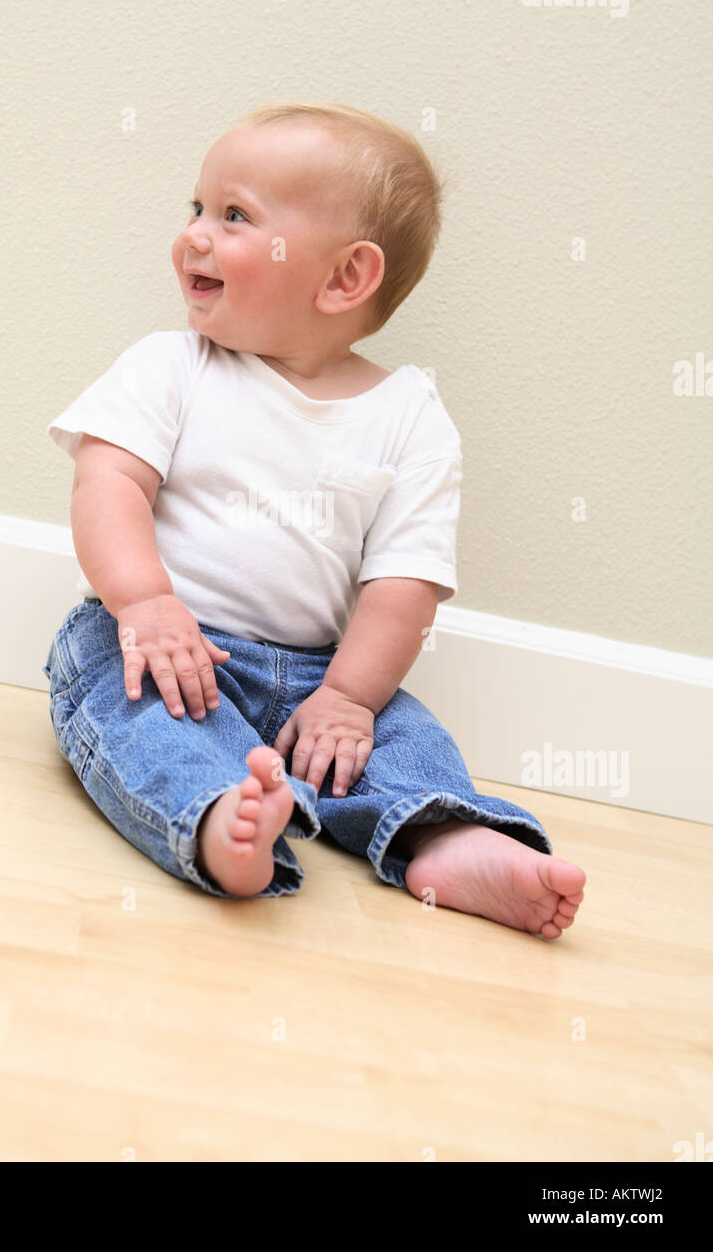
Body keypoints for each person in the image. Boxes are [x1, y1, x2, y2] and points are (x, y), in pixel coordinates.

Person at [43, 101, 586, 938]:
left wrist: (349, 696)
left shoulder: (411, 418)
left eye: (234, 217)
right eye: (196, 208)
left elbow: (403, 584)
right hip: (163, 641)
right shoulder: (172, 367)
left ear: (343, 278)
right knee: (140, 711)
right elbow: (107, 482)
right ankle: (219, 816)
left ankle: (446, 839)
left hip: (320, 676)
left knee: (400, 733)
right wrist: (145, 601)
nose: (194, 235)